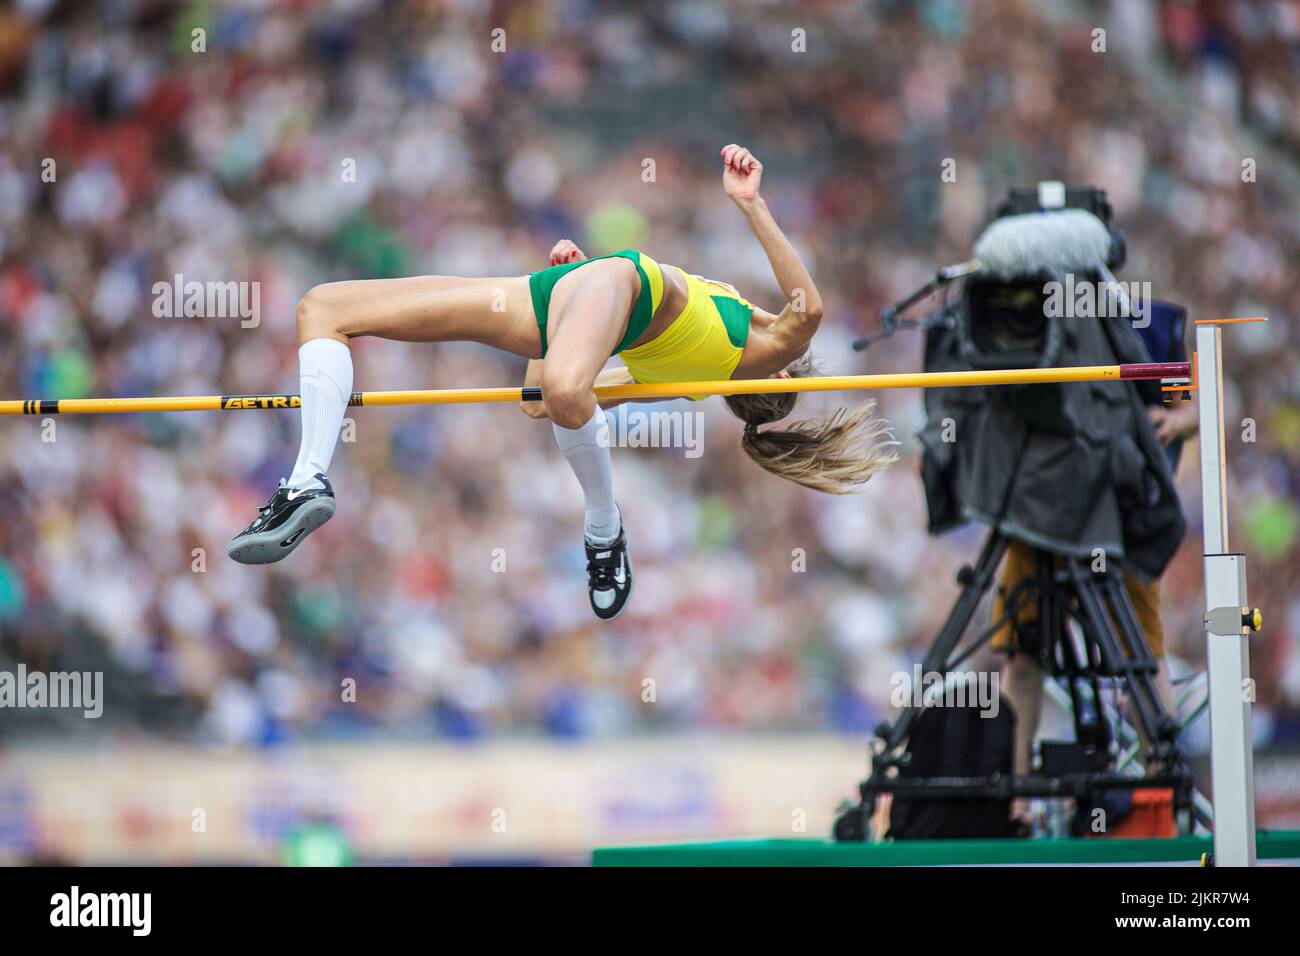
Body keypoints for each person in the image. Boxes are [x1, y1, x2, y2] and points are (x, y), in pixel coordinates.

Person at [227, 145, 898, 619]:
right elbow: (539, 394)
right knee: (324, 308)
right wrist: (572, 301)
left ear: (769, 375)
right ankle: (305, 479)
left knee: (567, 393)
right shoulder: (681, 369)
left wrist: (751, 205)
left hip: (614, 285)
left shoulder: (751, 352)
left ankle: (603, 529)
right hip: (554, 299)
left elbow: (806, 309)